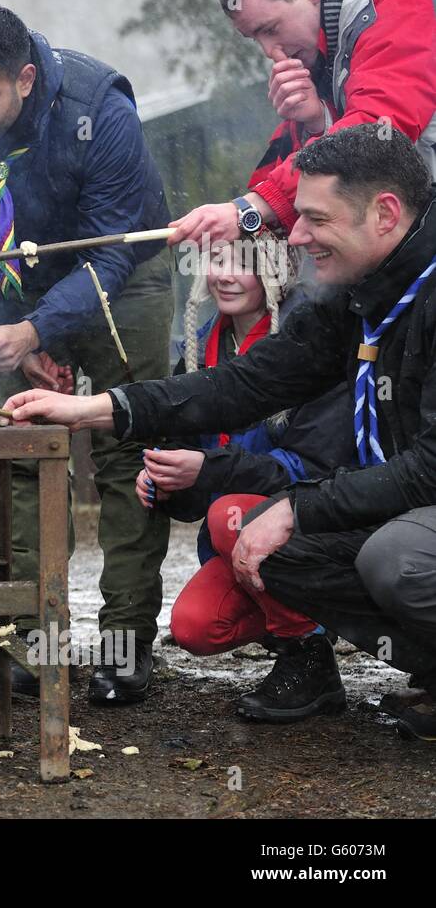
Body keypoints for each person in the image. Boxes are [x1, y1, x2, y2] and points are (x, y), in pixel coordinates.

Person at [5, 123, 436, 741]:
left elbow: (429, 467)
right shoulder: (362, 291)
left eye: (315, 219)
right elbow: (247, 385)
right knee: (281, 551)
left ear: (385, 213)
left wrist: (298, 505)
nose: (299, 235)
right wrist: (95, 408)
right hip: (406, 505)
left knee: (394, 559)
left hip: (422, 508)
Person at [0, 4, 176, 703]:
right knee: (24, 452)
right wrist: (13, 338)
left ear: (24, 78)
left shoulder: (99, 108)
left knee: (123, 446)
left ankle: (125, 643)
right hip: (12, 291)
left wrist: (41, 327)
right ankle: (30, 637)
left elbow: (111, 250)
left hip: (123, 270)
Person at [143, 232, 356, 719]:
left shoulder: (314, 337)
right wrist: (165, 481)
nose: (223, 274)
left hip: (319, 521)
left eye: (243, 260)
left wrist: (206, 472)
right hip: (236, 530)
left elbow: (314, 469)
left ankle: (311, 653)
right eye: (215, 259)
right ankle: (293, 626)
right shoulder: (202, 346)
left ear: (278, 265)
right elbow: (185, 453)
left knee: (227, 513)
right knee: (196, 625)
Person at [170, 0, 436, 247]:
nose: (270, 52)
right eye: (255, 40)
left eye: (271, 29)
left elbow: (375, 132)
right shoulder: (327, 48)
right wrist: (318, 122)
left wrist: (249, 210)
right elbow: (331, 149)